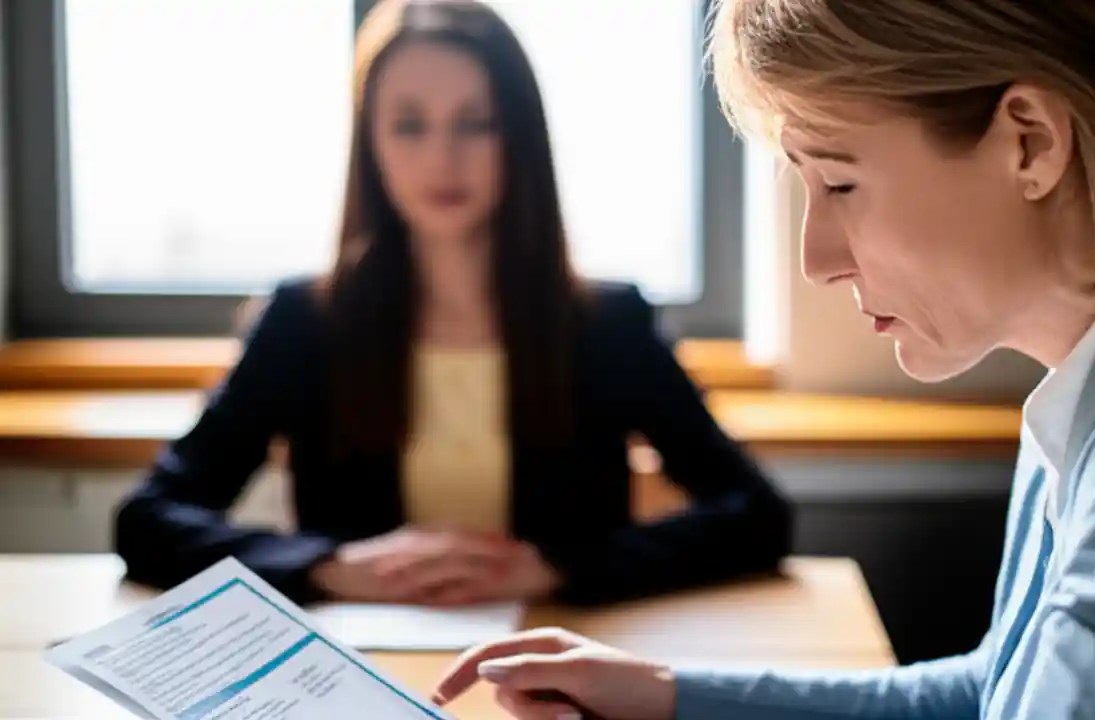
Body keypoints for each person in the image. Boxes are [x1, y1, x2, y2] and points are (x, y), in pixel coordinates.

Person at [432, 0, 1095, 717]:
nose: (815, 256)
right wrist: (664, 693)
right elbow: (997, 690)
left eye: (838, 184)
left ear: (1030, 143)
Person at [113, 0, 792, 610]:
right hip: (359, 671)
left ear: (519, 138)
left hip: (558, 665)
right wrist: (330, 565)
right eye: (409, 126)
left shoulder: (604, 325)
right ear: (369, 144)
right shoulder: (305, 322)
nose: (443, 157)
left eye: (477, 124)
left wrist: (553, 567)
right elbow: (147, 517)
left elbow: (756, 514)